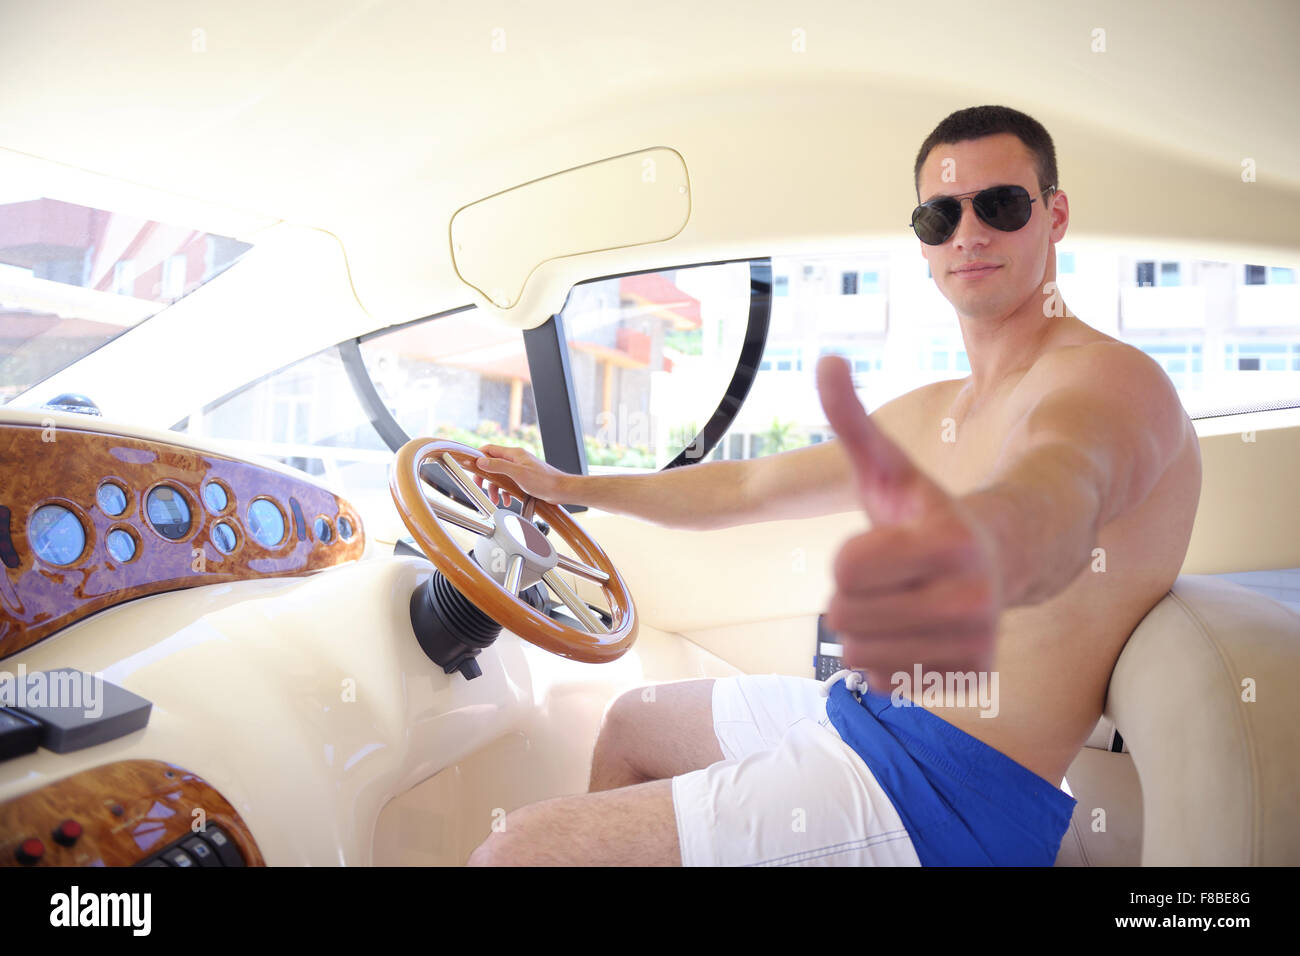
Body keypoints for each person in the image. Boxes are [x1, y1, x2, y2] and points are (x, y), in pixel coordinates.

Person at [463, 105, 1201, 866]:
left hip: (949, 798)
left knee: (516, 851)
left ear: (1055, 215)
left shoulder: (1111, 380)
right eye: (939, 215)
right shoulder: (937, 412)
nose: (969, 234)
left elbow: (1068, 472)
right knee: (634, 721)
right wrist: (565, 483)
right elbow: (745, 486)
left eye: (1002, 205)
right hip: (868, 714)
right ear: (922, 242)